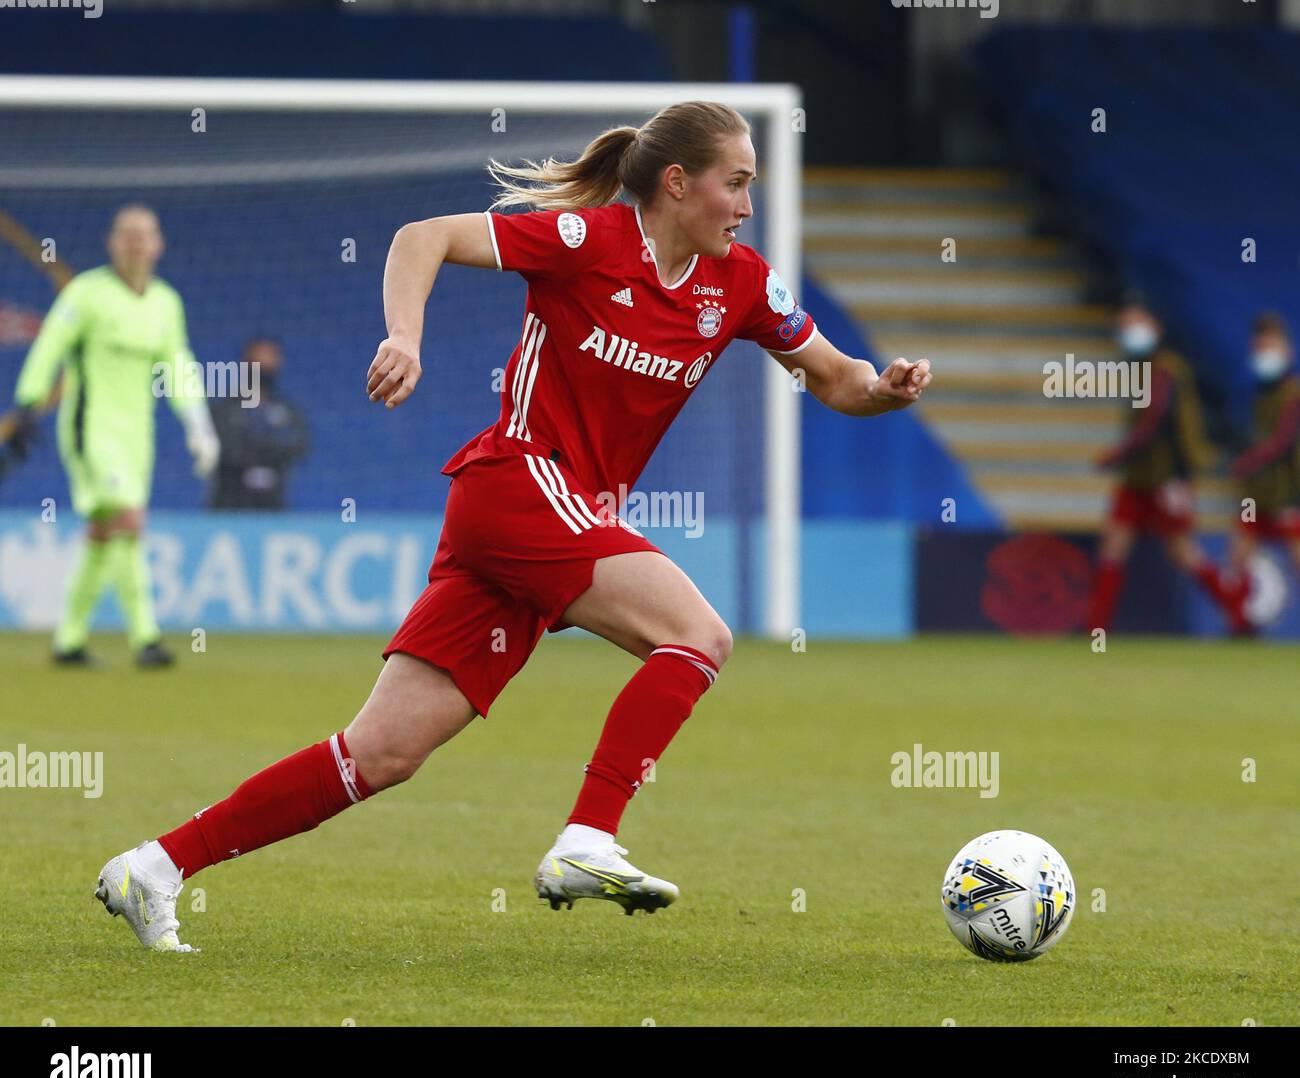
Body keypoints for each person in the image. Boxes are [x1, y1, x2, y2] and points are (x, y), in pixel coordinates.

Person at [94, 101, 931, 951]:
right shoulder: (587, 241)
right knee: (697, 635)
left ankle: (153, 867)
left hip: (536, 524)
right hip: (519, 482)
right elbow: (422, 236)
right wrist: (406, 338)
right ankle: (588, 837)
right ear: (678, 183)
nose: (748, 205)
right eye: (737, 183)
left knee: (378, 755)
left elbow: (835, 377)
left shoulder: (742, 283)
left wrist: (885, 387)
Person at [13, 205, 219, 668]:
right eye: (127, 234)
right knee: (129, 520)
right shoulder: (86, 294)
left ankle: (68, 640)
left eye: (144, 235)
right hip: (91, 430)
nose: (135, 243)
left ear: (159, 244)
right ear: (112, 243)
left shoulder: (166, 302)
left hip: (136, 436)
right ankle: (145, 638)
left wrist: (198, 425)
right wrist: (28, 401)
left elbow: (179, 365)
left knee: (104, 531)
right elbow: (50, 345)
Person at [1086, 296, 1246, 634]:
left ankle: (1239, 615)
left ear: (1156, 327)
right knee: (1113, 545)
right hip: (1138, 478)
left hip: (1167, 478)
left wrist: (1119, 452)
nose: (1129, 332)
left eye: (1135, 324)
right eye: (1124, 326)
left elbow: (1155, 418)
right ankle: (1096, 627)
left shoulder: (1166, 368)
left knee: (1182, 550)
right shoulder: (1140, 368)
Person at [1227, 312, 1300, 621]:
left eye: (1269, 346)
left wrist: (1249, 460)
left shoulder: (1293, 392)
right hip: (1258, 493)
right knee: (1238, 556)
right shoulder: (1258, 392)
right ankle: (1239, 623)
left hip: (1288, 491)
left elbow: (1282, 440)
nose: (1263, 354)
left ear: (1286, 350)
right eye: (1258, 348)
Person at [208, 337, 309, 509]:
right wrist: (264, 446)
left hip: (272, 504)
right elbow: (225, 450)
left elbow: (298, 446)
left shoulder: (286, 411)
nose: (263, 367)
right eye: (257, 361)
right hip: (229, 503)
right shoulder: (224, 411)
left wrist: (259, 446)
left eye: (269, 360)